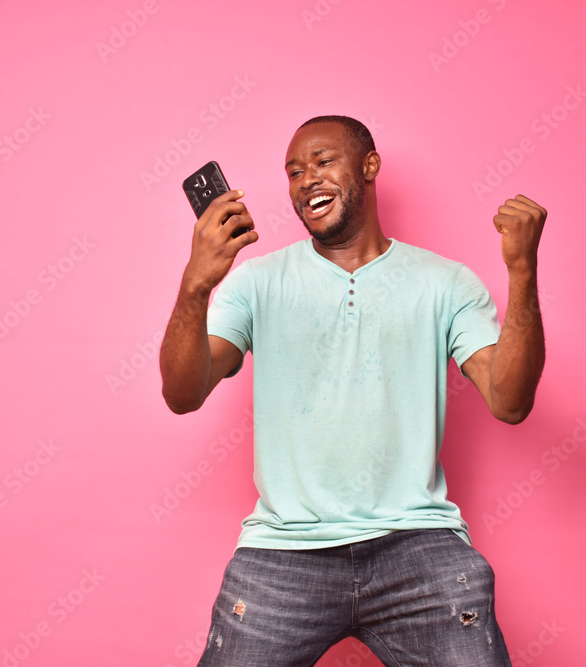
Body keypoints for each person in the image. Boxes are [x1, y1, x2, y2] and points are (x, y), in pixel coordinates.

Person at [159, 115, 546, 666]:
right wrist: (195, 285)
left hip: (416, 542)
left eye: (322, 162)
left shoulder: (445, 281)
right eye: (294, 171)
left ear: (369, 166)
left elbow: (510, 401)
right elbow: (182, 392)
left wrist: (523, 272)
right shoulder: (256, 281)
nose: (305, 180)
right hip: (284, 550)